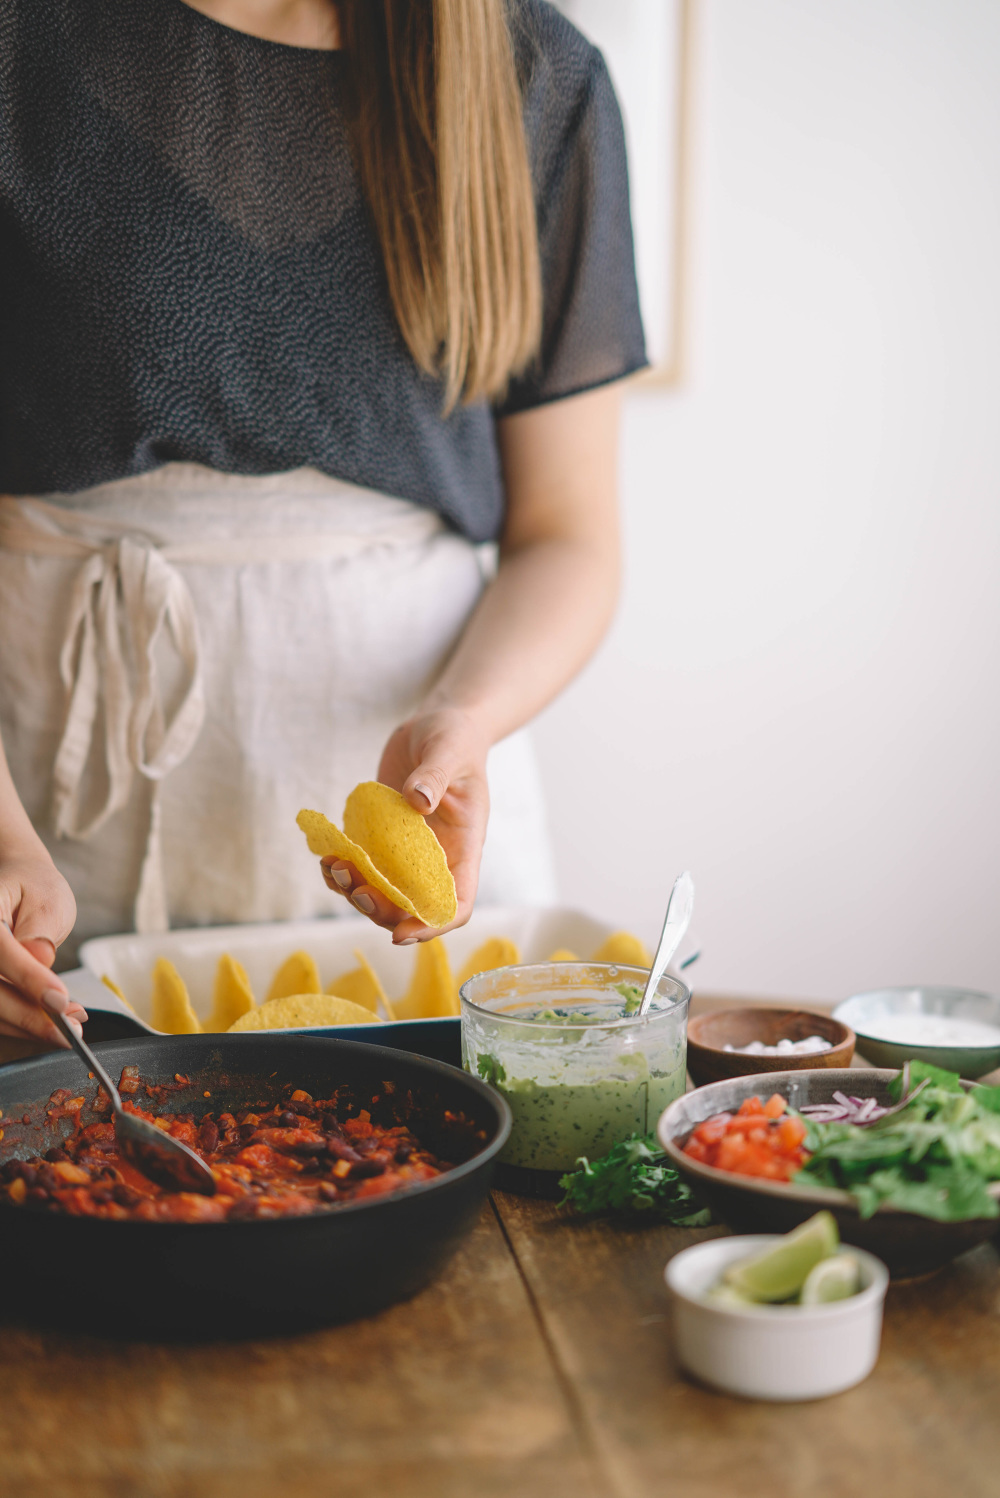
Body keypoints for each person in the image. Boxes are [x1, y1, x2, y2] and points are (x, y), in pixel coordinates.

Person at [0, 0, 645, 1048]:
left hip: (414, 758)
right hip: (42, 812)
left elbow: (567, 536)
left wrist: (466, 724)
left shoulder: (537, 76)